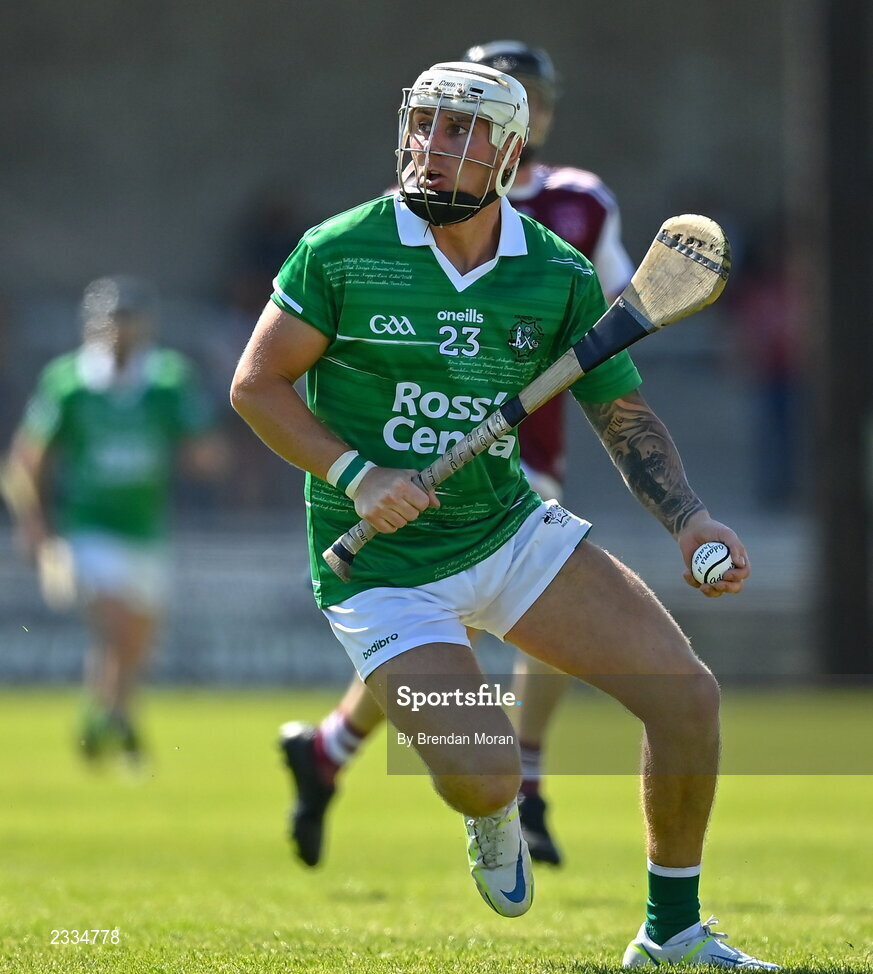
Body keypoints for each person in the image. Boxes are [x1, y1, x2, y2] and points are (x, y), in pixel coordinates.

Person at [230, 61, 778, 969]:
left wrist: (689, 521)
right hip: (382, 568)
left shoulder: (554, 274)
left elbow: (621, 412)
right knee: (486, 774)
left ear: (510, 153)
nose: (432, 148)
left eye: (460, 131)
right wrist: (356, 472)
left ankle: (672, 933)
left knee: (686, 698)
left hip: (509, 531)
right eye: (424, 125)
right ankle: (490, 817)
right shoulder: (338, 250)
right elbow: (258, 386)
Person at [277, 40, 636, 872]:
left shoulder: (579, 206)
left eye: (536, 95)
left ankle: (510, 774)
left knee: (474, 621)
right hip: (422, 464)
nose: (532, 108)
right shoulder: (404, 208)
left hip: (520, 458)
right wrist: (355, 472)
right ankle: (431, 764)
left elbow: (613, 316)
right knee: (429, 626)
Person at [4, 276, 225, 767]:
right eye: (108, 319)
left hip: (146, 530)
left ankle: (109, 718)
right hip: (87, 528)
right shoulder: (69, 381)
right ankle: (113, 721)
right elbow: (28, 460)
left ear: (145, 326)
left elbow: (205, 452)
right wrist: (34, 527)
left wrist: (210, 443)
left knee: (137, 640)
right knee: (116, 627)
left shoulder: (167, 379)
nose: (117, 329)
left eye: (127, 319)